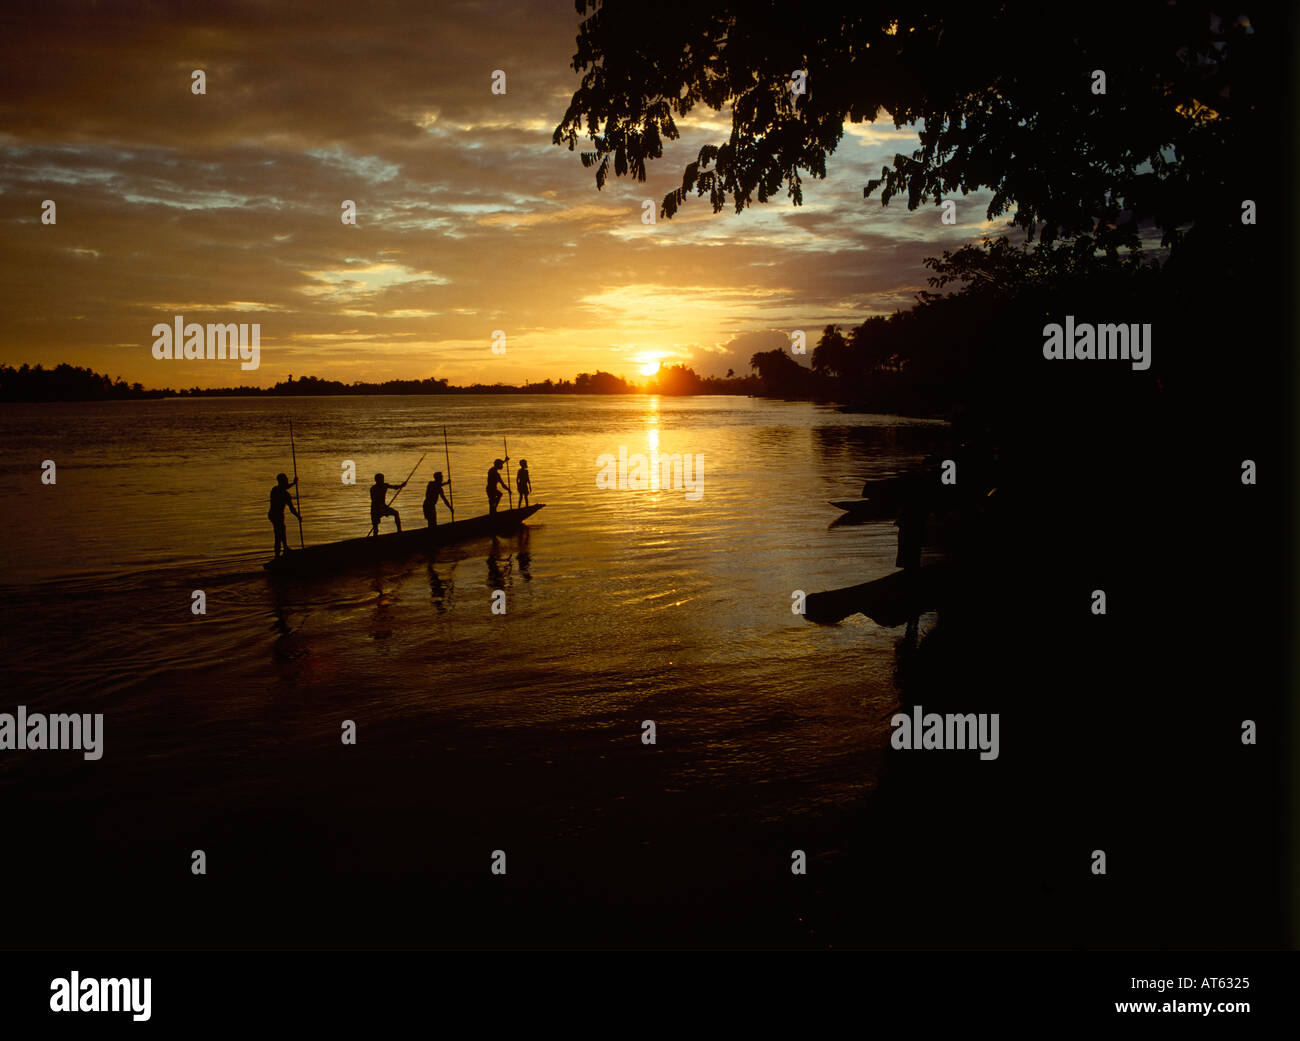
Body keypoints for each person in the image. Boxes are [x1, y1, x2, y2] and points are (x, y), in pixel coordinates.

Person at [268, 472, 299, 558]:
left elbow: (284, 487)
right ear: (283, 481)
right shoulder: (285, 494)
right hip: (277, 515)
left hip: (272, 514)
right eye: (286, 480)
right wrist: (298, 516)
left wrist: (293, 483)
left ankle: (284, 549)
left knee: (280, 533)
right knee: (279, 535)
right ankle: (280, 553)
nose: (287, 481)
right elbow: (292, 509)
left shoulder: (274, 489)